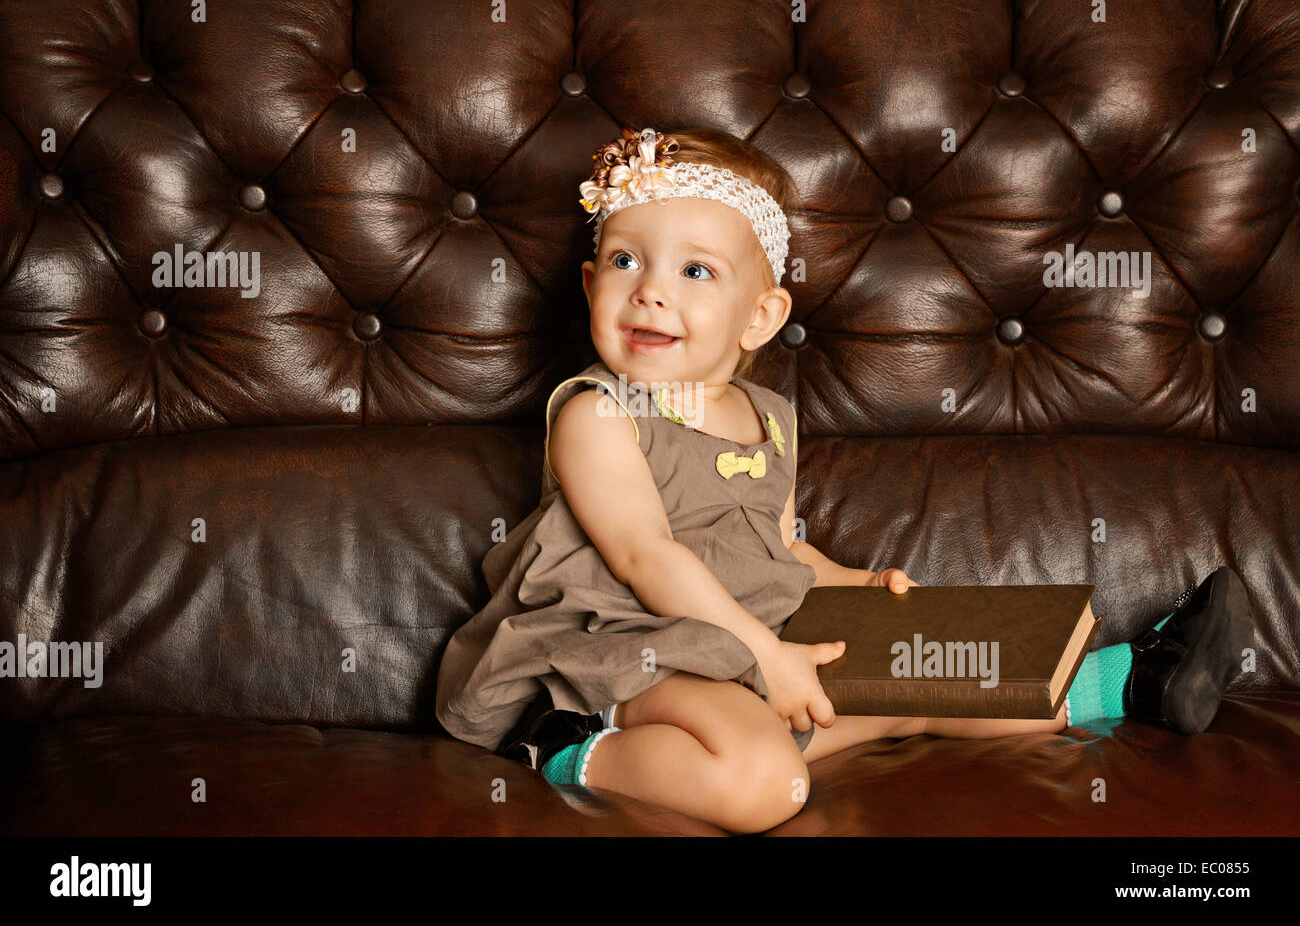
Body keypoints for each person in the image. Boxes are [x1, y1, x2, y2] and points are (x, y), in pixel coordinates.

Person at [434, 126, 1254, 834]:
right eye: (623, 260)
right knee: (769, 786)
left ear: (760, 317)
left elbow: (778, 547)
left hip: (737, 645)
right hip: (620, 652)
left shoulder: (770, 419)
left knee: (925, 673)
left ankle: (1135, 679)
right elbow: (647, 557)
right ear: (590, 286)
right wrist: (767, 655)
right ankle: (570, 748)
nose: (649, 288)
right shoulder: (597, 414)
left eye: (696, 272)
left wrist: (855, 582)